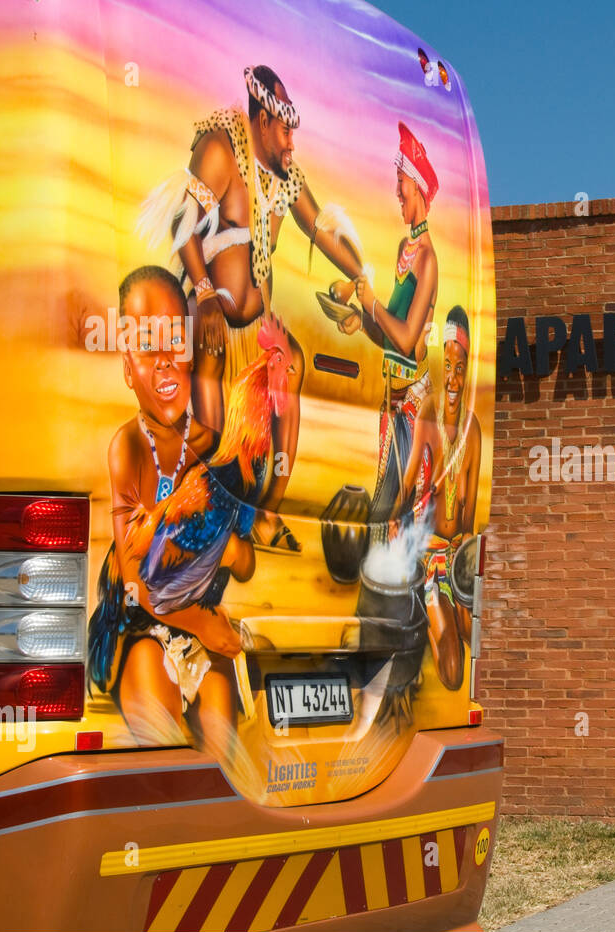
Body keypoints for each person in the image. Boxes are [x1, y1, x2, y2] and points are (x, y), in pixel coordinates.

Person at [139, 65, 367, 552]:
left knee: (294, 365)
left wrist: (361, 275)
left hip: (256, 328)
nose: (291, 142)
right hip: (210, 317)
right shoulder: (221, 149)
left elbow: (322, 231)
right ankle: (211, 518)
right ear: (263, 121)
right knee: (210, 360)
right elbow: (185, 222)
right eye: (285, 130)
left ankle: (266, 512)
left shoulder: (285, 176)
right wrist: (203, 296)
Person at [87, 266, 253, 757]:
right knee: (166, 755)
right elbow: (135, 581)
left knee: (225, 757)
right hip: (141, 629)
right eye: (146, 344)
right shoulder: (128, 448)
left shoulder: (216, 450)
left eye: (173, 341)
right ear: (126, 366)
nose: (163, 361)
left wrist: (231, 554)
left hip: (200, 627)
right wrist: (201, 624)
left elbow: (244, 560)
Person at [331, 122, 439, 535]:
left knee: (392, 516)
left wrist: (371, 301)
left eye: (401, 185)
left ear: (418, 189)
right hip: (390, 403)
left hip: (411, 409)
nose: (397, 194)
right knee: (385, 513)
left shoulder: (427, 259)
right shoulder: (403, 250)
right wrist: (364, 323)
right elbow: (391, 338)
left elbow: (409, 338)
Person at [398, 307, 481, 690]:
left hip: (455, 561)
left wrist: (466, 551)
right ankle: (425, 616)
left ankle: (443, 617)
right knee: (452, 671)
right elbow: (408, 480)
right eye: (446, 365)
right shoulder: (428, 414)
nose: (451, 377)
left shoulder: (472, 429)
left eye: (459, 367)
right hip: (428, 559)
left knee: (475, 640)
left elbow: (471, 515)